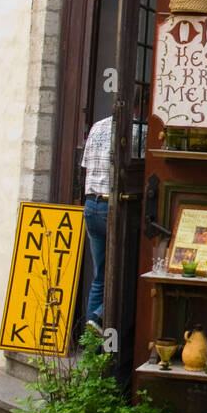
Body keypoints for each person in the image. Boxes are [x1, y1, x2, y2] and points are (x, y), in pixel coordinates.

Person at [81, 115, 113, 330]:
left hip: (91, 204)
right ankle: (100, 316)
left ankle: (91, 346)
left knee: (99, 276)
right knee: (127, 268)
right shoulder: (136, 129)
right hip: (111, 206)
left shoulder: (98, 126)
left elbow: (85, 164)